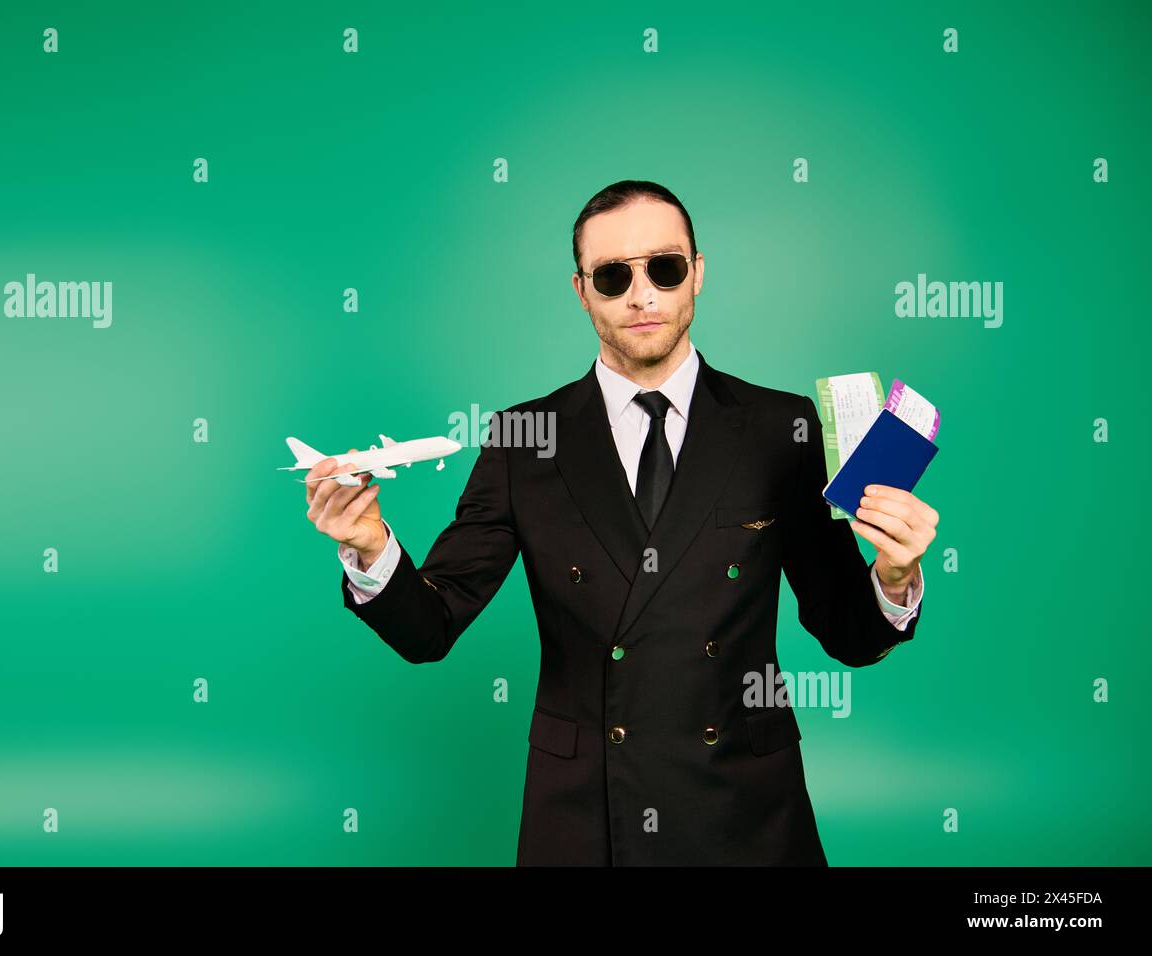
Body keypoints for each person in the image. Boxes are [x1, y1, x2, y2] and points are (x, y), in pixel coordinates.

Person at [302, 180, 939, 865]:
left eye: (664, 268)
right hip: (586, 816)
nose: (642, 296)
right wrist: (370, 546)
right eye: (613, 277)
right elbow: (430, 629)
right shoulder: (524, 436)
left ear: (698, 272)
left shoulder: (779, 429)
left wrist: (895, 575)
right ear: (581, 291)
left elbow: (846, 630)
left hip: (747, 812)